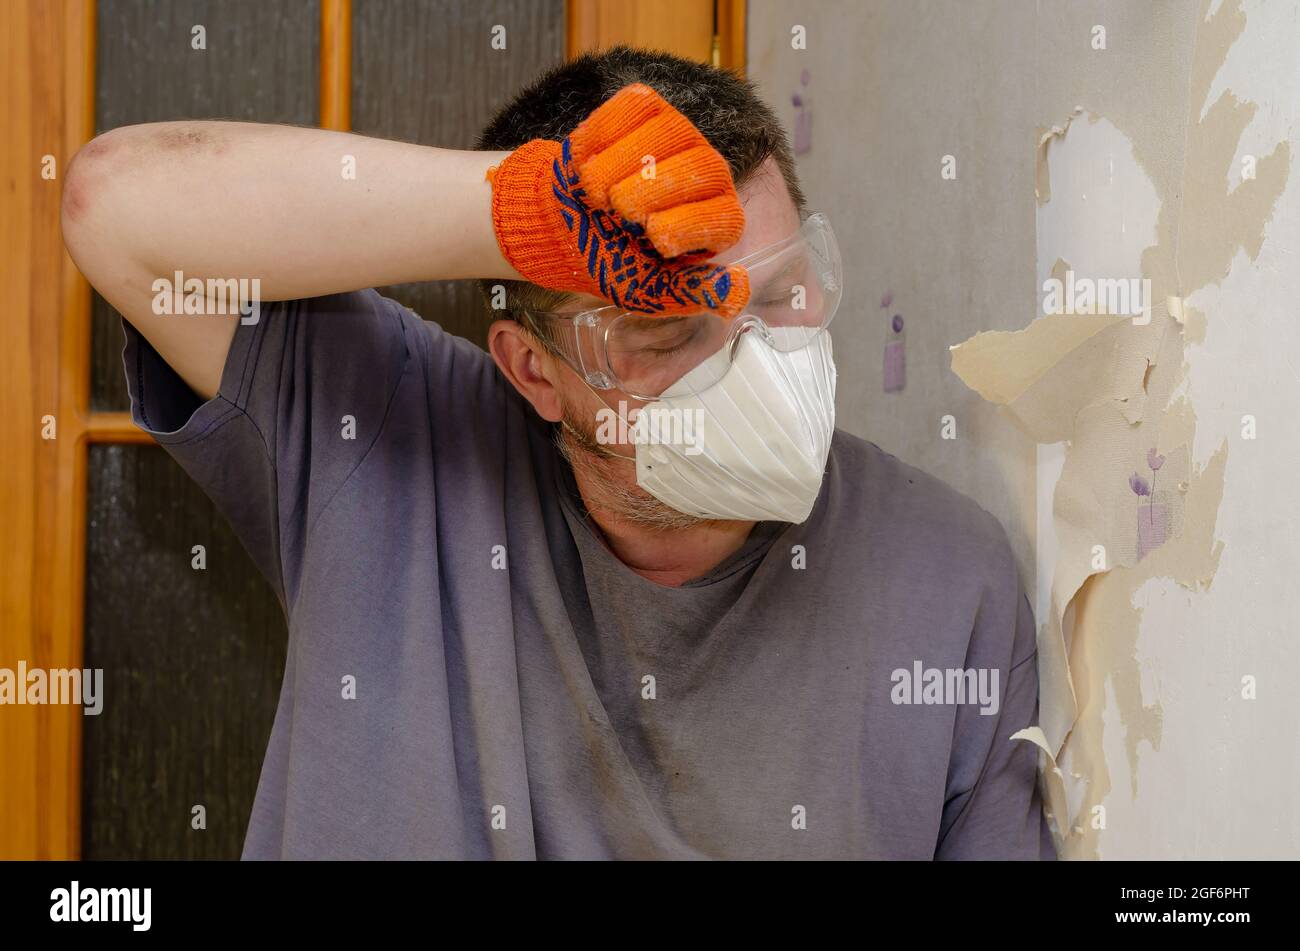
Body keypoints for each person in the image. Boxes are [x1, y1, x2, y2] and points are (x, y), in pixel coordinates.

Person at [62, 45, 1054, 860]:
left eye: (783, 293)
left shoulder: (946, 578)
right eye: (666, 335)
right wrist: (509, 212)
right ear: (535, 373)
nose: (756, 364)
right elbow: (115, 206)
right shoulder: (385, 439)